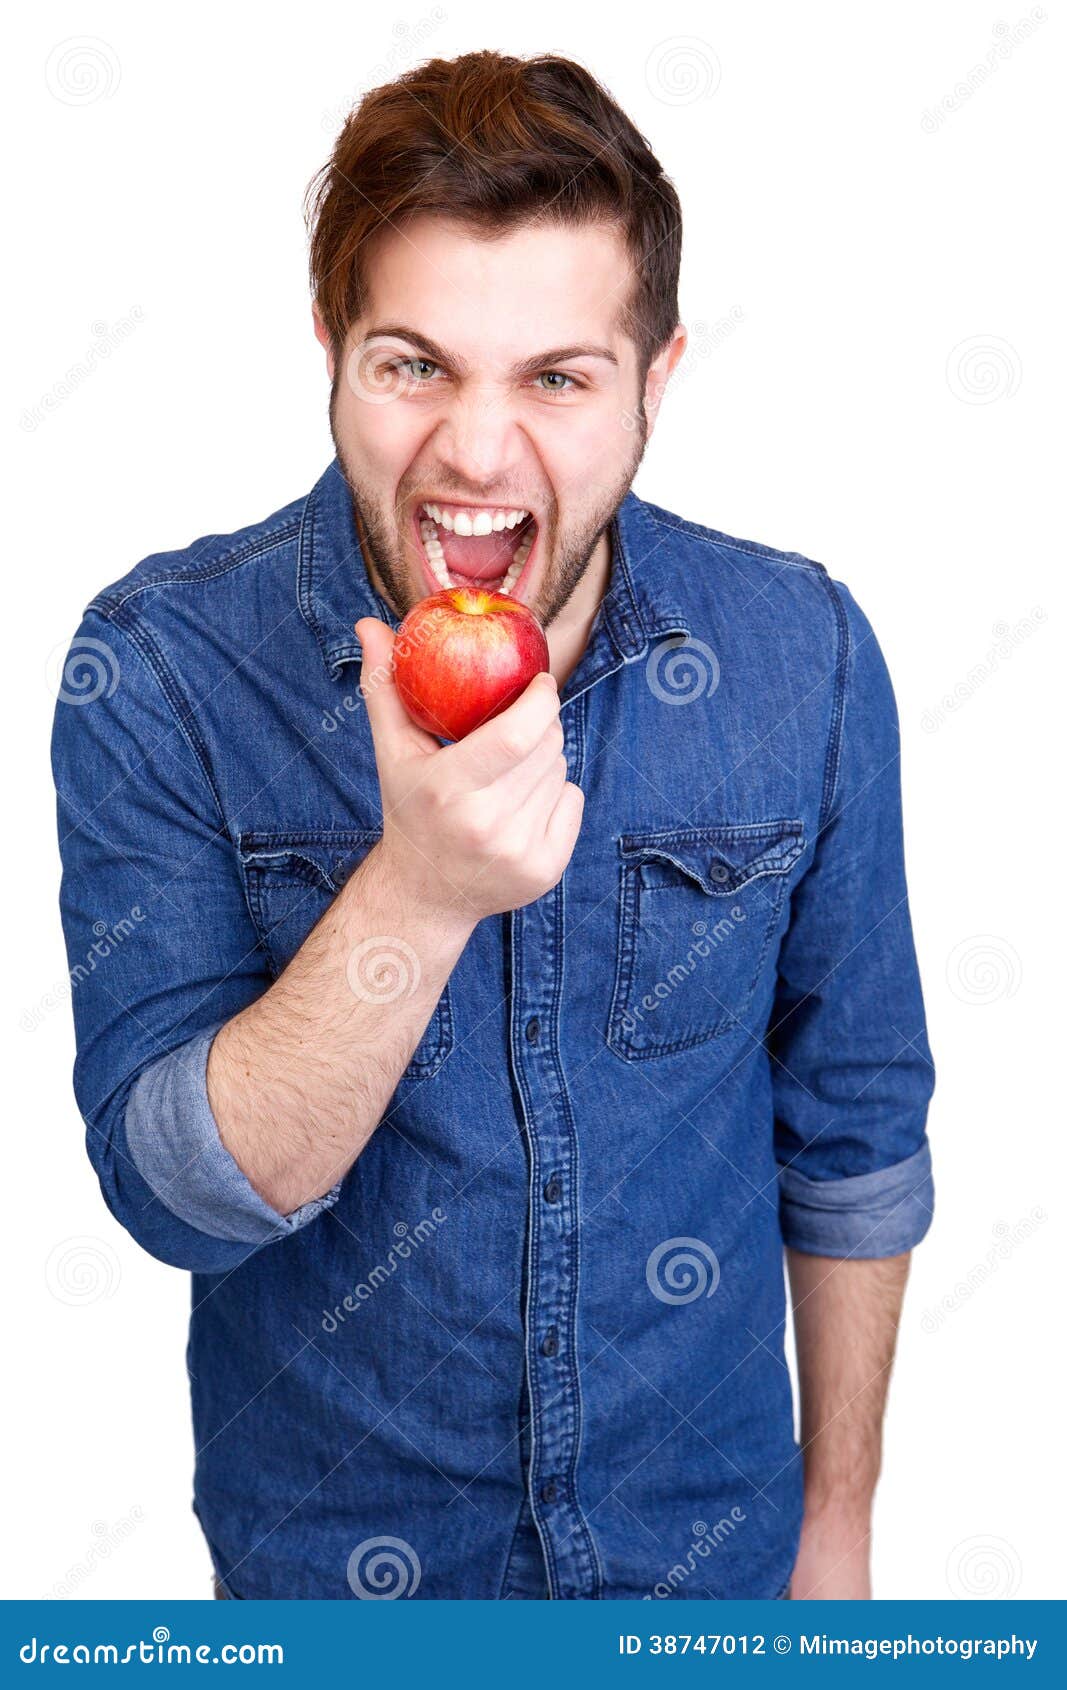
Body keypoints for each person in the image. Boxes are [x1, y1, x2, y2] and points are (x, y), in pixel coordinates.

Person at [51, 50, 935, 1600]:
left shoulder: (807, 655)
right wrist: (419, 890)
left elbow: (853, 1129)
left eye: (557, 377)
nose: (473, 451)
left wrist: (839, 1531)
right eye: (415, 366)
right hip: (339, 1599)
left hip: (708, 1578)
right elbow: (177, 1193)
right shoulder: (165, 668)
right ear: (331, 351)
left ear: (654, 380)